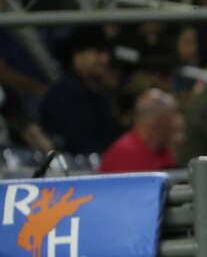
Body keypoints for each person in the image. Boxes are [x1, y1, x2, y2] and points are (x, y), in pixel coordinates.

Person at [38, 25, 121, 156]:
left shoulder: (99, 94)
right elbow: (78, 146)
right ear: (77, 55)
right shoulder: (62, 95)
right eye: (98, 51)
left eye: (106, 52)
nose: (105, 59)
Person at [98, 88, 185, 173]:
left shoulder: (163, 152)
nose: (180, 122)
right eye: (174, 114)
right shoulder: (124, 154)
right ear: (160, 120)